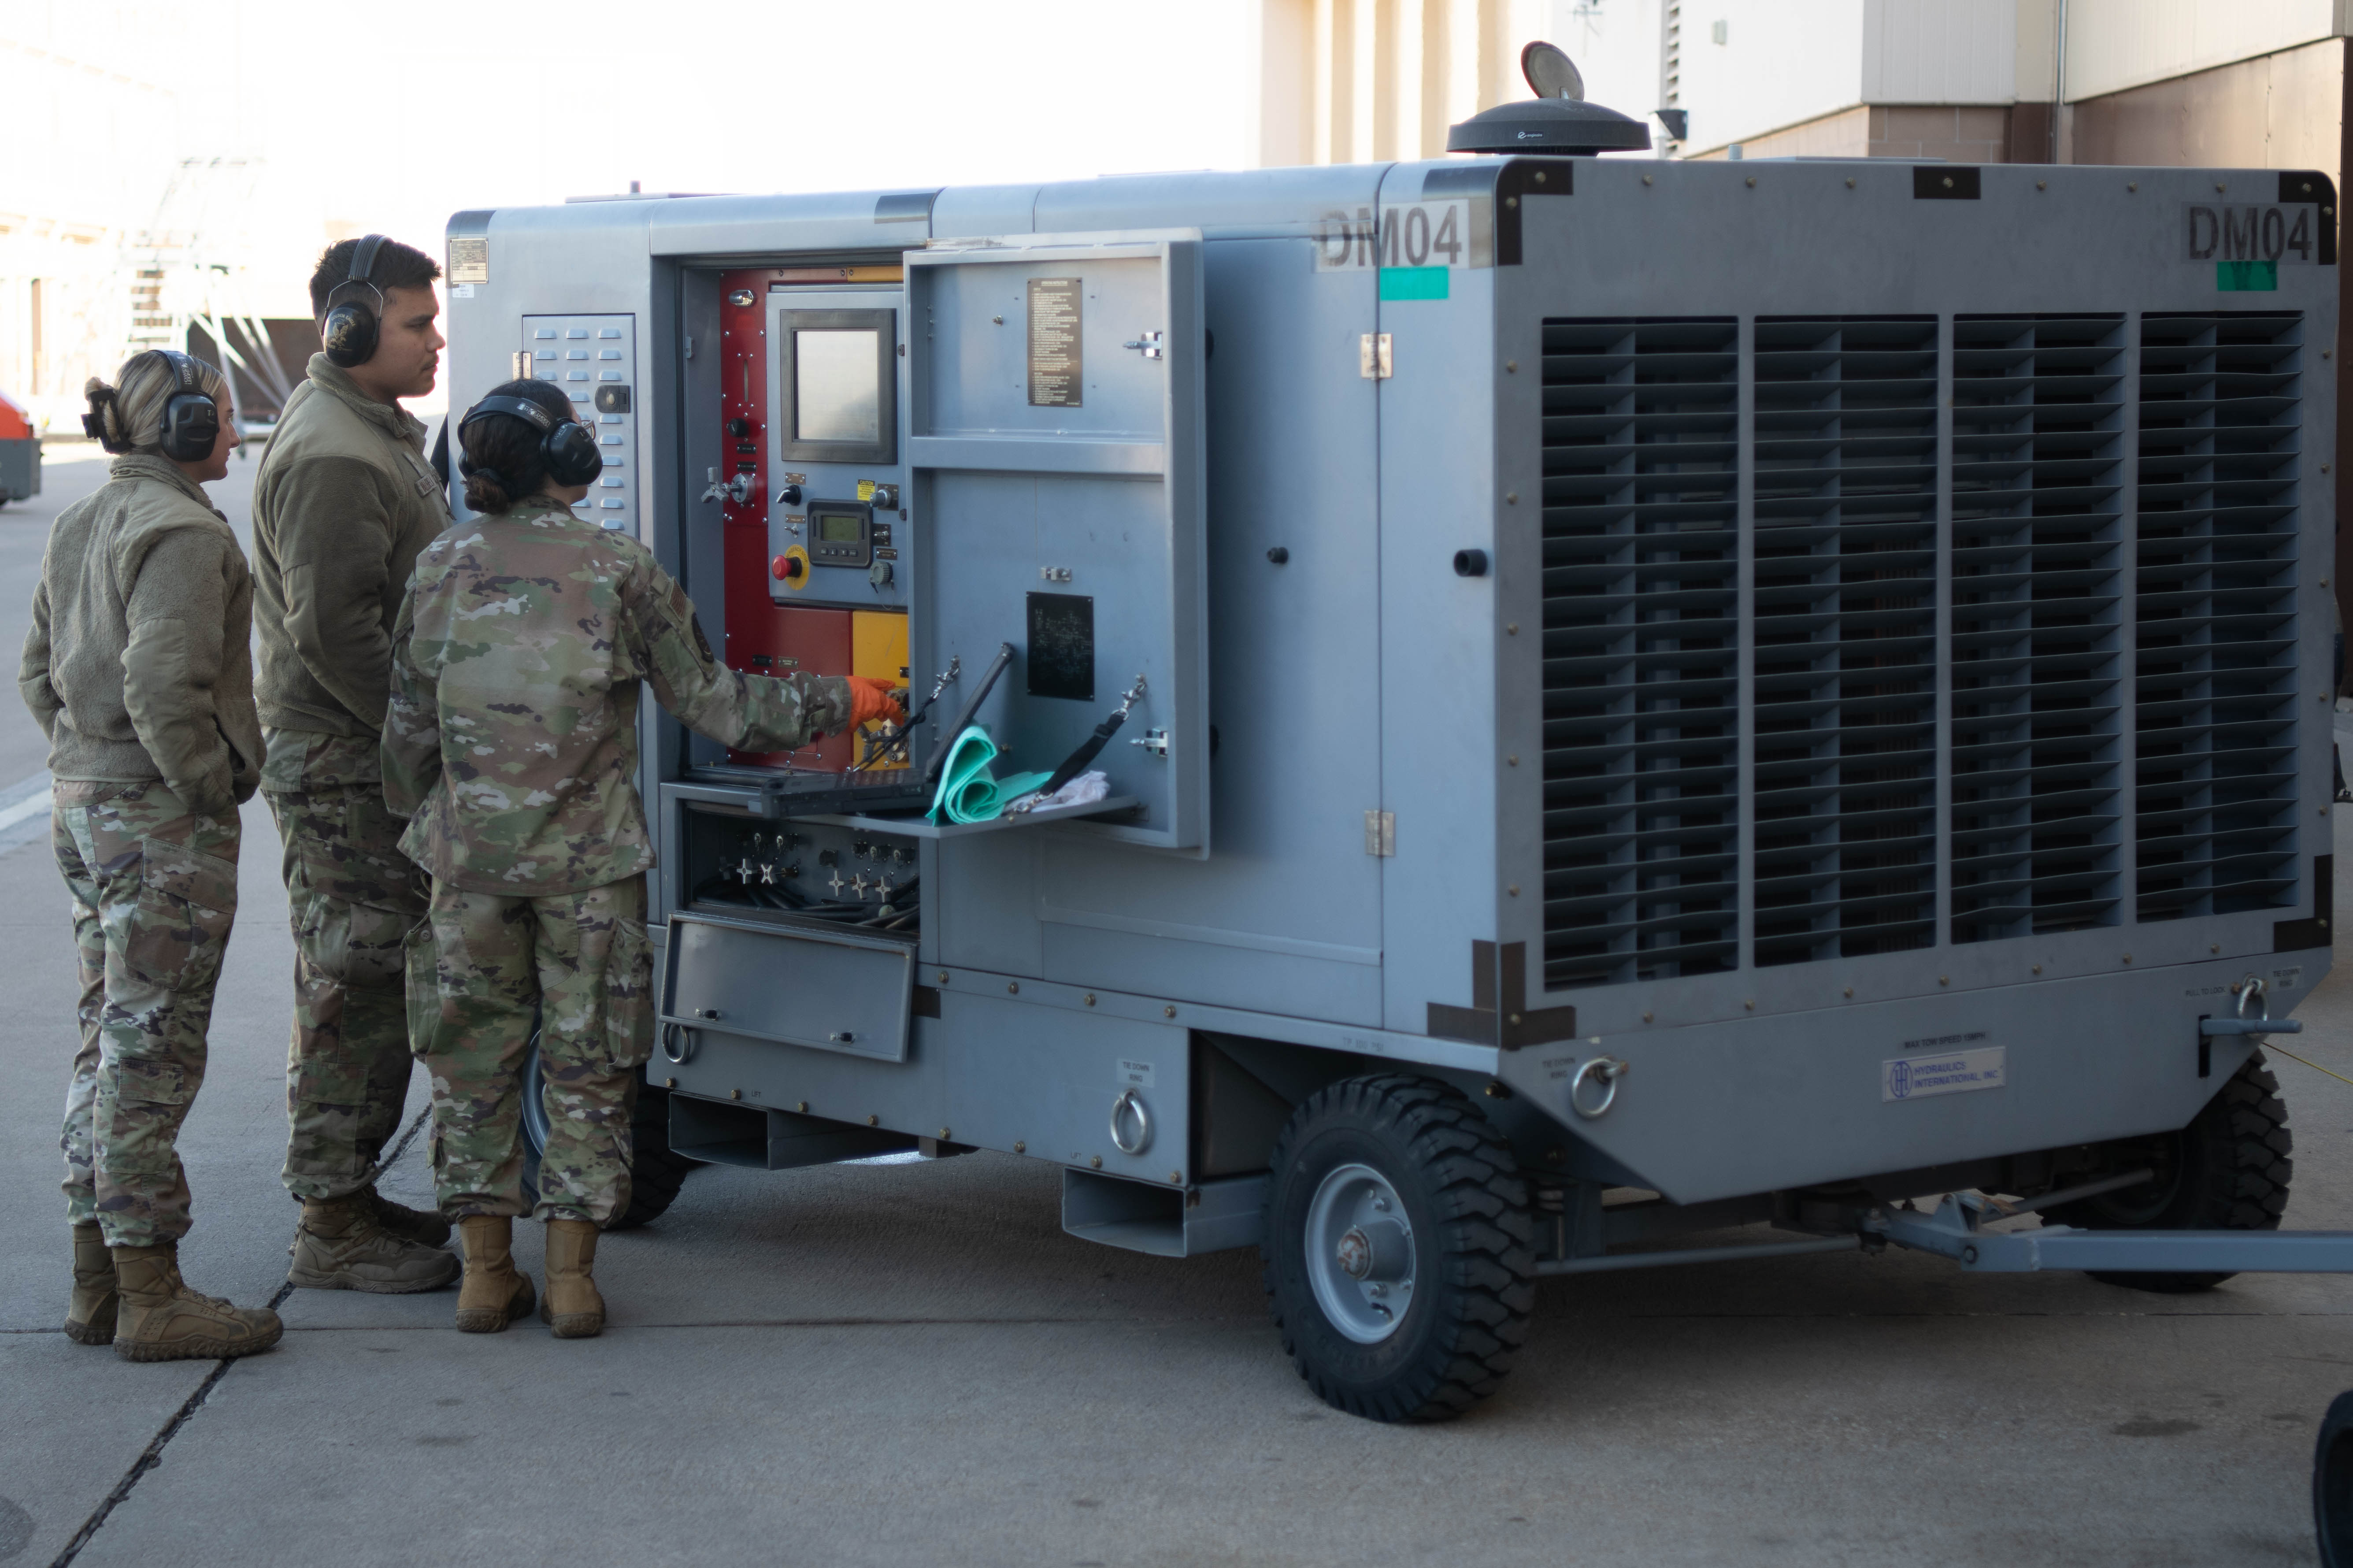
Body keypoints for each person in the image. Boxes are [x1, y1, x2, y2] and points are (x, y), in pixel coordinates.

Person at [385, 379, 905, 1336]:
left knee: (472, 1067)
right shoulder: (619, 569)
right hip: (589, 875)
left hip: (469, 873)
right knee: (589, 1067)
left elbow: (408, 735)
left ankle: (485, 1278)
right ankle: (575, 1283)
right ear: (567, 461)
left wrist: (445, 828)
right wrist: (852, 699)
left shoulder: (437, 567)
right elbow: (721, 706)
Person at [22, 350, 280, 1361]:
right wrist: (207, 791)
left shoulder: (86, 515)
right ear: (176, 426)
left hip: (88, 801)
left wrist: (87, 762)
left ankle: (97, 1282)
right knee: (153, 1048)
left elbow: (40, 674)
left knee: (110, 1035)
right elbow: (163, 684)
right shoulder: (176, 527)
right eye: (216, 413)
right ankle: (151, 1292)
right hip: (156, 819)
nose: (228, 428)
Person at [249, 234, 459, 1294]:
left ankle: (351, 1192)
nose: (436, 341)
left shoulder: (372, 430)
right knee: (356, 978)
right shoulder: (336, 452)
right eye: (419, 323)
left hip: (367, 756)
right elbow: (337, 635)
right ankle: (330, 1222)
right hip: (349, 764)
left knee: (372, 977)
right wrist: (421, 750)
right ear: (351, 325)